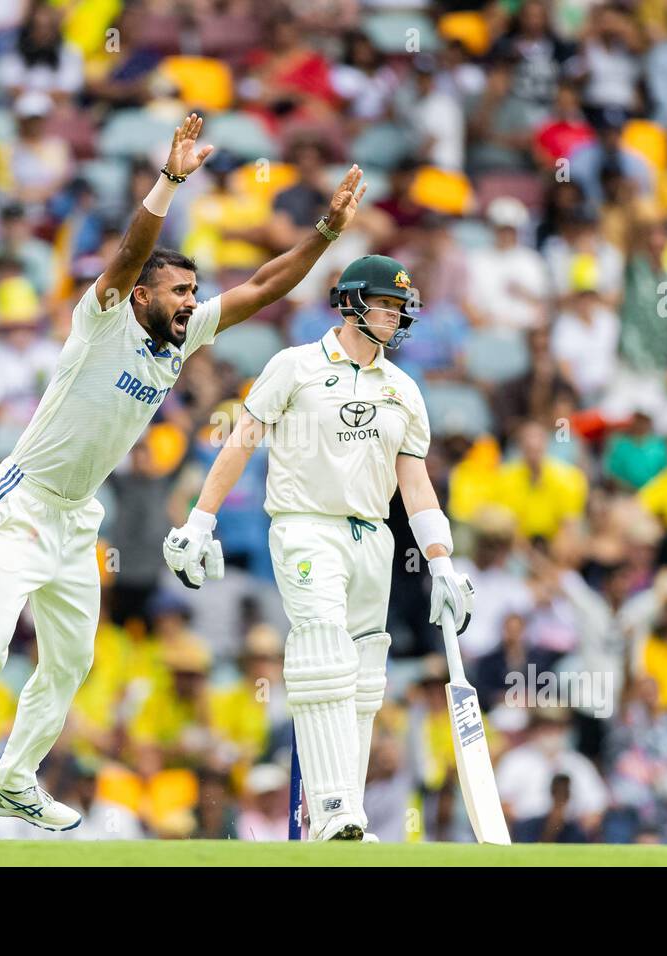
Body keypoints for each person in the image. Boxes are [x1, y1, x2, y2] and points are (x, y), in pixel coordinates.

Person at [0, 114, 369, 833]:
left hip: (78, 517)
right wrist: (170, 182)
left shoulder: (182, 339)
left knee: (71, 661)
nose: (190, 302)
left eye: (194, 292)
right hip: (20, 503)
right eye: (178, 291)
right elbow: (126, 253)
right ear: (141, 295)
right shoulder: (104, 317)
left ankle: (13, 779)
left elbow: (266, 285)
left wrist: (327, 233)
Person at [162, 254, 474, 841]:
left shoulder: (403, 389)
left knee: (363, 677)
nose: (396, 315)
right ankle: (332, 810)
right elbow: (241, 441)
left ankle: (343, 818)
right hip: (305, 526)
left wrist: (443, 563)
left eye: (401, 307)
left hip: (372, 535)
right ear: (352, 302)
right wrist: (200, 522)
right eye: (386, 303)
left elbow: (414, 480)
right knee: (324, 653)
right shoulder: (295, 366)